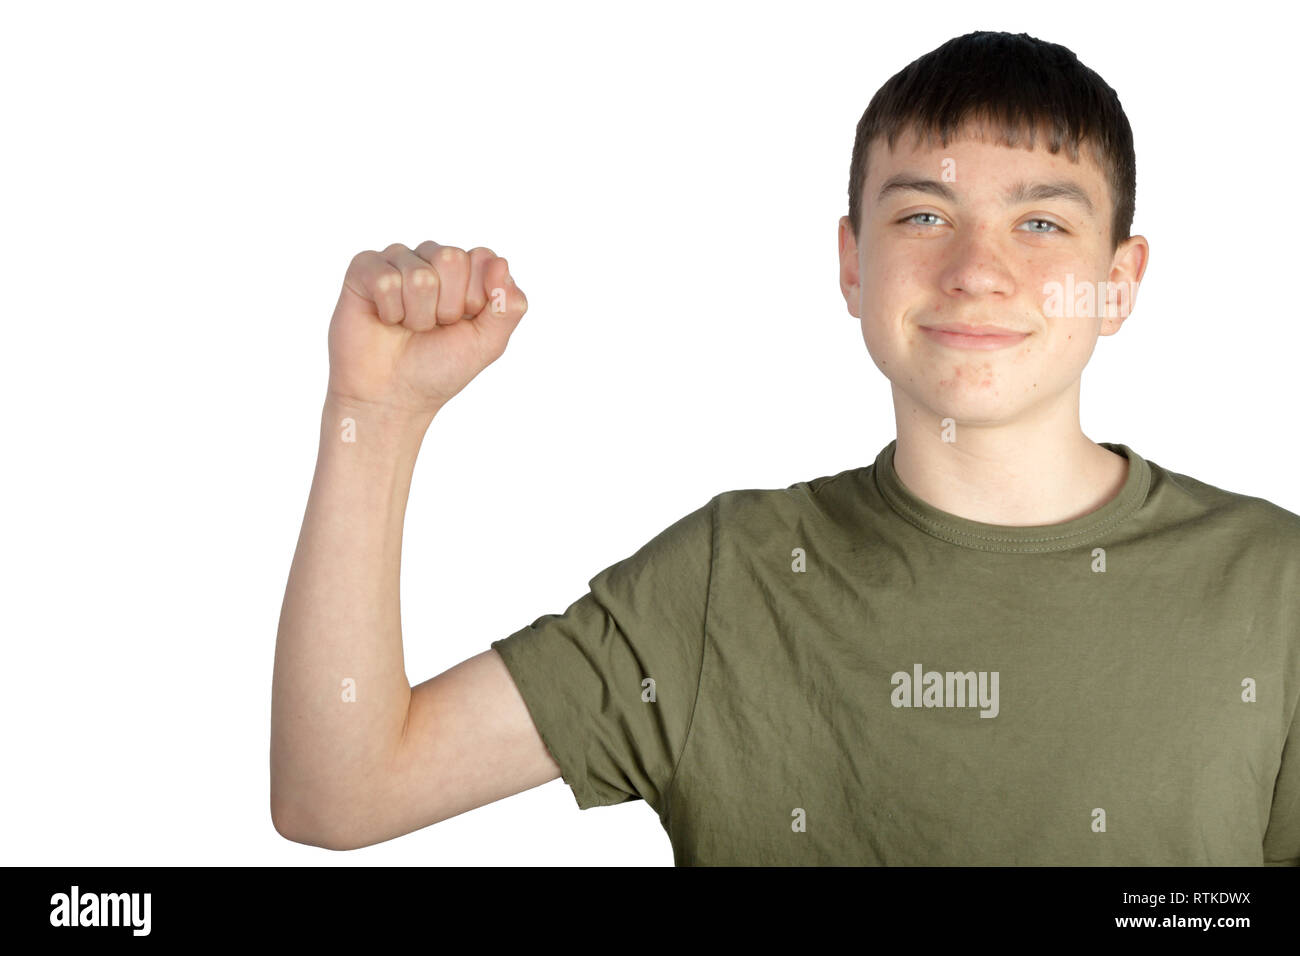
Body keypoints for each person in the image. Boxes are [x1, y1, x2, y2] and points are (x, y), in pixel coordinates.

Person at [270, 30, 1300, 865]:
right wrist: (376, 412)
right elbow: (341, 790)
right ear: (852, 265)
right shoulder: (728, 577)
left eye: (1039, 224)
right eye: (924, 213)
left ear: (1118, 281)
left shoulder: (1273, 583)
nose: (976, 269)